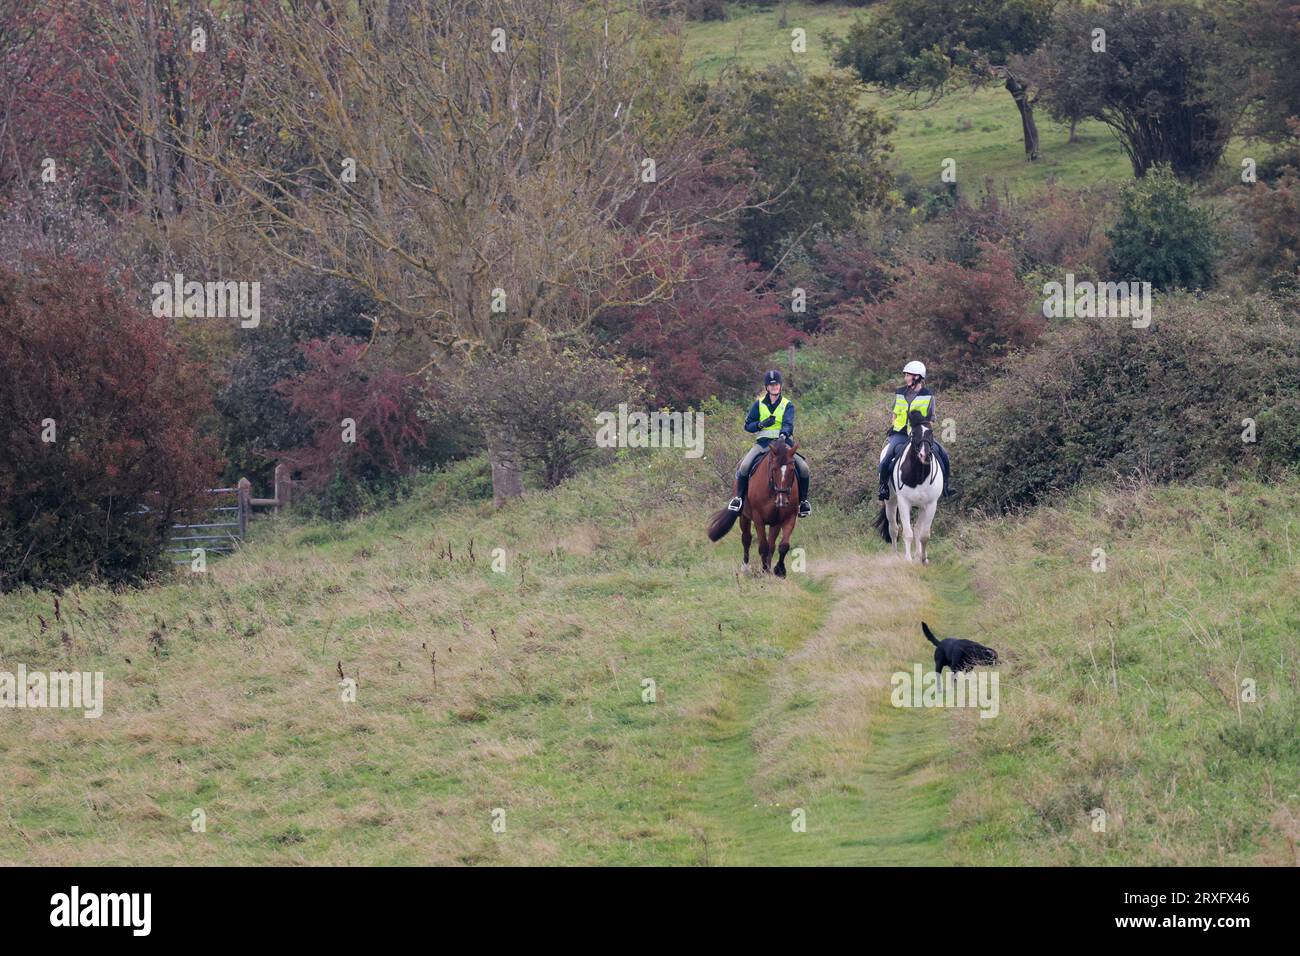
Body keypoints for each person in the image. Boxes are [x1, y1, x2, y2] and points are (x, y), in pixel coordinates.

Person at [727, 369, 811, 517]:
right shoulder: (758, 404)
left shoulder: (787, 404)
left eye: (777, 384)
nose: (774, 387)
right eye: (771, 385)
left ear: (780, 386)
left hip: (783, 444)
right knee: (745, 465)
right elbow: (747, 425)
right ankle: (738, 498)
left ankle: (803, 502)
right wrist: (760, 424)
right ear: (767, 387)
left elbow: (788, 423)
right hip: (763, 444)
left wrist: (783, 435)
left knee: (804, 468)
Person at [877, 360, 953, 500]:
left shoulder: (928, 396)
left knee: (943, 454)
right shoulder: (899, 393)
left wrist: (923, 433)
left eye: (908, 375)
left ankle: (946, 486)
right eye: (905, 375)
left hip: (921, 435)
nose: (905, 378)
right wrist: (895, 427)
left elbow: (931, 418)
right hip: (900, 434)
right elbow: (894, 413)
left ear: (917, 377)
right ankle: (883, 487)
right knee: (886, 459)